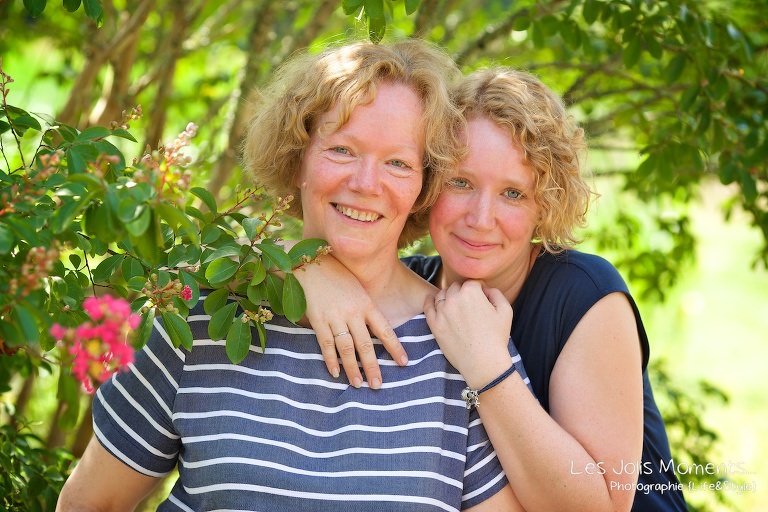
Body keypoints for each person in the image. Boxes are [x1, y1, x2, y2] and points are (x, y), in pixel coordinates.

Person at [56, 40, 531, 511]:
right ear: (297, 154)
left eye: (398, 163)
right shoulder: (203, 314)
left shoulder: (464, 345)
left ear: (424, 184)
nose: (366, 184)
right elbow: (90, 503)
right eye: (343, 149)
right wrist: (294, 262)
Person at [295, 68, 688, 511]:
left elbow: (603, 507)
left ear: (545, 206)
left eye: (513, 194)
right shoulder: (410, 287)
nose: (481, 218)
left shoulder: (586, 296)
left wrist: (487, 367)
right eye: (460, 183)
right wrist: (303, 266)